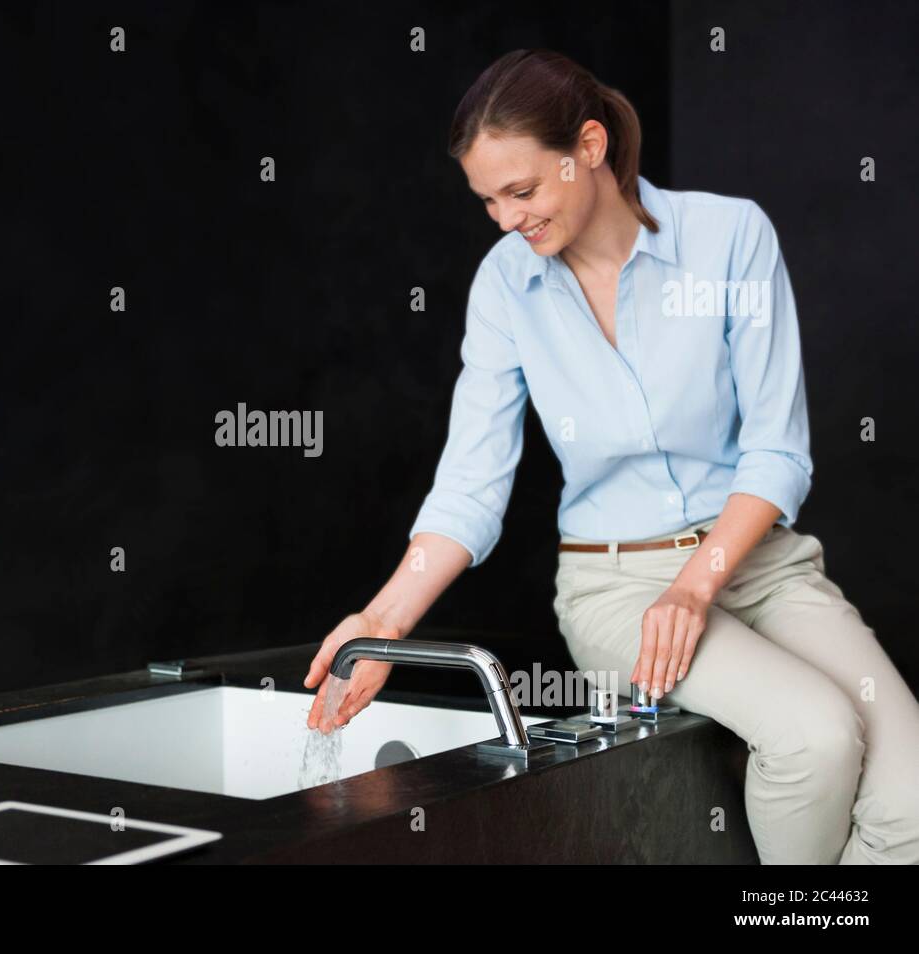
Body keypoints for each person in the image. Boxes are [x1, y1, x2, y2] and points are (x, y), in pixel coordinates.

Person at [302, 49, 919, 864]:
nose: (505, 220)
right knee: (816, 738)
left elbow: (778, 453)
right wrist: (379, 627)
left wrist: (696, 587)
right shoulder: (504, 289)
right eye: (487, 201)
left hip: (759, 567)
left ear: (588, 147)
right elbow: (469, 490)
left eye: (521, 192)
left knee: (911, 799)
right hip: (616, 586)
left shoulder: (731, 236)